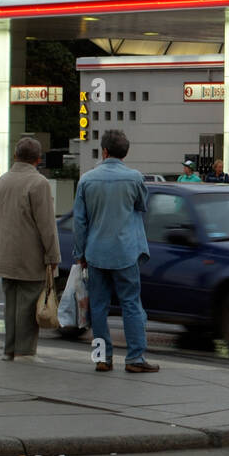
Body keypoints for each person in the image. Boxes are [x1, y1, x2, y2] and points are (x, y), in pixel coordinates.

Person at [73, 130, 158, 373]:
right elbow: (142, 205)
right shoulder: (134, 178)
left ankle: (102, 358)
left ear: (104, 151)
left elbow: (80, 222)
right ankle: (135, 358)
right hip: (126, 253)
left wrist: (80, 254)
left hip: (96, 253)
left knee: (98, 306)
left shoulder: (87, 180)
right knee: (131, 303)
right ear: (125, 153)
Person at [0, 137, 60, 360]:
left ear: (15, 156)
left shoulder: (2, 181)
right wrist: (52, 256)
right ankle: (24, 352)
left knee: (10, 304)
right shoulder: (39, 183)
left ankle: (9, 350)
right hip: (29, 255)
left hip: (4, 254)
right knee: (29, 304)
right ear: (38, 159)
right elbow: (47, 225)